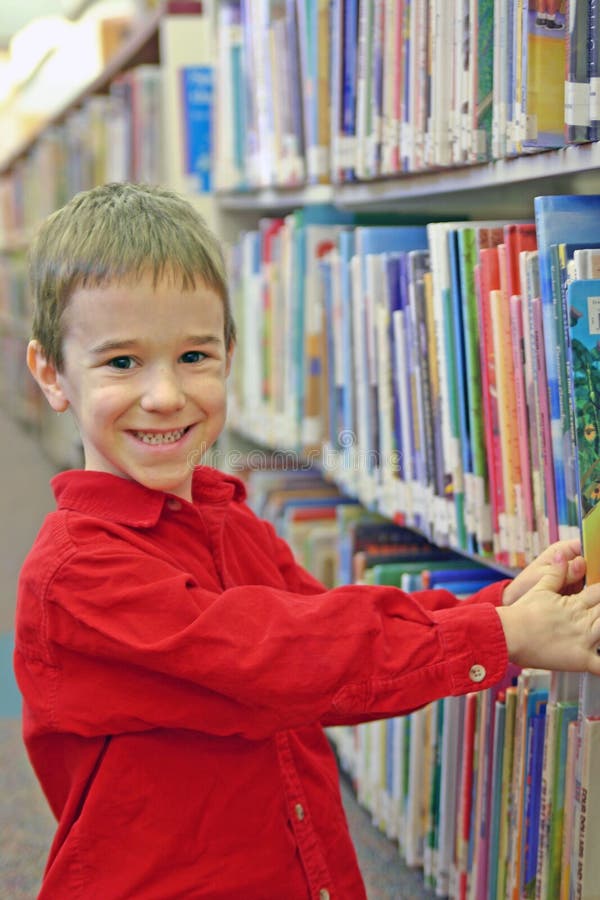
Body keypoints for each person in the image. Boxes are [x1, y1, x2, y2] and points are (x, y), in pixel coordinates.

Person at [15, 182, 600, 900]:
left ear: (229, 353)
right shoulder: (78, 575)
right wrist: (499, 636)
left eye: (194, 356)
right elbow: (276, 658)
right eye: (121, 363)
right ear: (51, 374)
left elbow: (330, 628)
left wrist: (497, 606)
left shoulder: (229, 520)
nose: (165, 395)